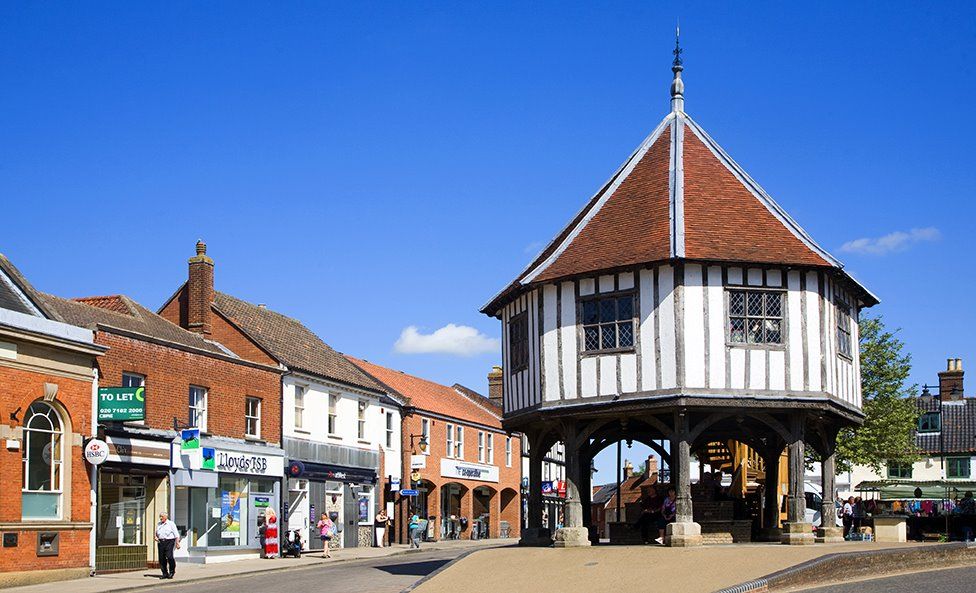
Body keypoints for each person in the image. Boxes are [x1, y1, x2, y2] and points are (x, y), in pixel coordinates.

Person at [154, 512, 180, 579]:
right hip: (161, 541)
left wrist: (177, 543)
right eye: (160, 516)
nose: (160, 518)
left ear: (166, 517)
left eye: (162, 516)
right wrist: (155, 537)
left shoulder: (171, 524)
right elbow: (156, 533)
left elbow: (176, 534)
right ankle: (164, 573)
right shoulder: (159, 524)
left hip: (169, 541)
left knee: (169, 556)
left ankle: (172, 572)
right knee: (161, 558)